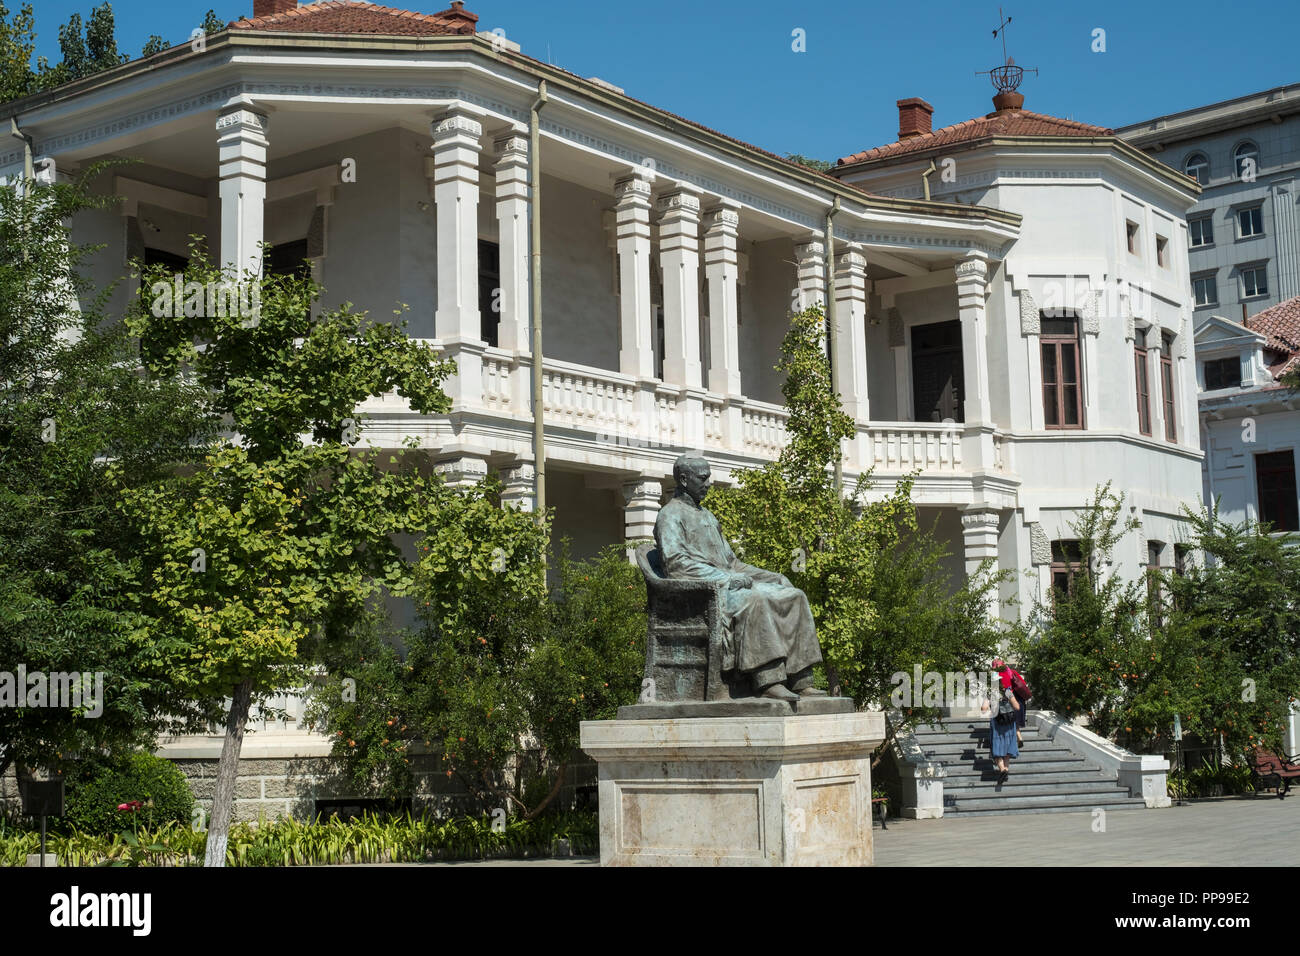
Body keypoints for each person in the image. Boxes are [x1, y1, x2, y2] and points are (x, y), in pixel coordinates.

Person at [654, 454, 826, 702]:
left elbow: (732, 562)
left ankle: (800, 679)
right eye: (703, 478)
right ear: (683, 480)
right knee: (755, 598)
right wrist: (724, 578)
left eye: (709, 477)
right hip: (703, 595)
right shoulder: (669, 516)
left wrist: (772, 576)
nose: (709, 483)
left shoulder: (708, 516)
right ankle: (768, 680)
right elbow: (676, 565)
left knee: (794, 595)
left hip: (728, 585)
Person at [993, 657, 1029, 748]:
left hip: (1010, 698)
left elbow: (1004, 688)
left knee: (1009, 720)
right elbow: (1023, 683)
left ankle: (1013, 741)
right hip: (1019, 698)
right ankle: (1019, 738)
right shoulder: (1012, 671)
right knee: (1015, 720)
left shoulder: (998, 674)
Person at [990, 683, 1020, 783]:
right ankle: (1005, 771)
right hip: (1009, 724)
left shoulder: (990, 693)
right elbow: (1017, 707)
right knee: (1007, 750)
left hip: (997, 725)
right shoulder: (1008, 692)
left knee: (997, 749)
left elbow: (983, 708)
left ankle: (1002, 770)